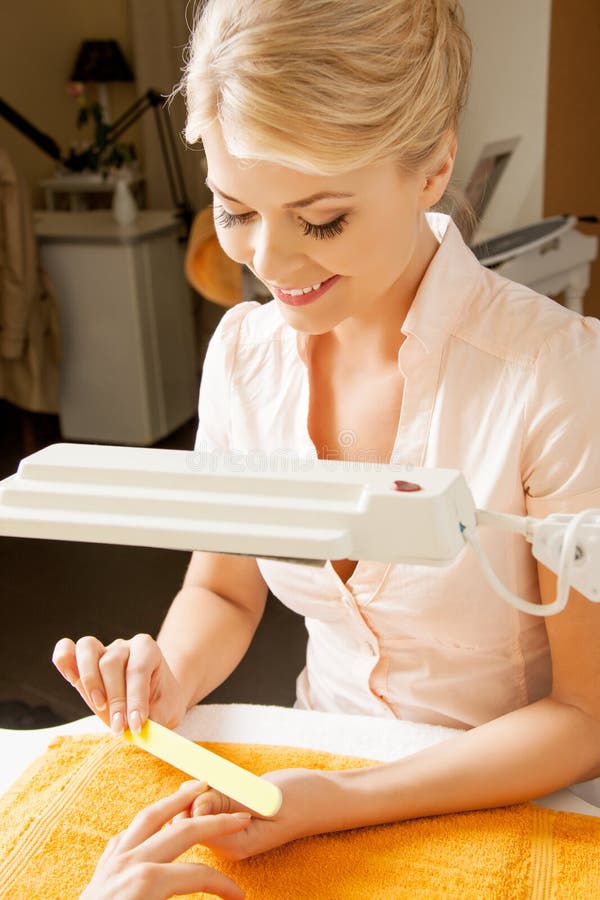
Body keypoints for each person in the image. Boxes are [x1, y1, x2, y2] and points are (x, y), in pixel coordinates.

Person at [53, 0, 600, 890]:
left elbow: (586, 715)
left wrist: (343, 803)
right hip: (311, 770)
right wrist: (169, 674)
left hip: (513, 802)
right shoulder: (243, 357)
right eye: (236, 211)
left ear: (433, 167)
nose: (272, 260)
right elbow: (222, 590)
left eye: (321, 220)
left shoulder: (555, 376)